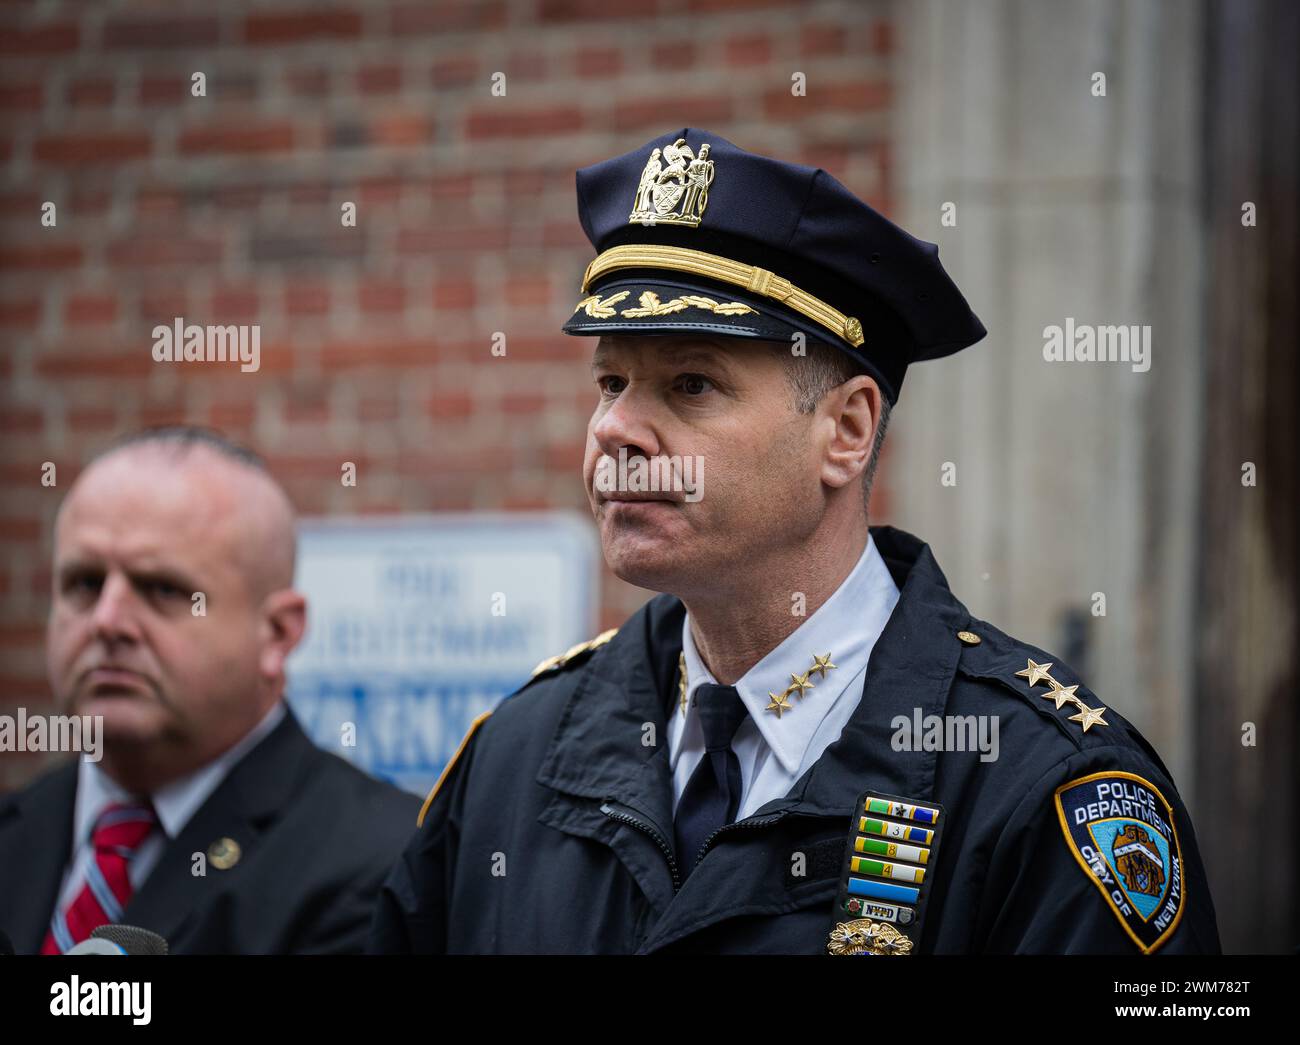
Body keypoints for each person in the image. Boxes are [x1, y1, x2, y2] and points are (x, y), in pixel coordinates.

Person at [368, 129, 1221, 955]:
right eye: (611, 381)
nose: (617, 429)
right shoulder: (516, 758)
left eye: (691, 383)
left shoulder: (1038, 789)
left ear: (846, 430)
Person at [0, 427, 418, 954]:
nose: (107, 621)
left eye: (163, 590)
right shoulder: (16, 833)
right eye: (84, 584)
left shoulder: (382, 863)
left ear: (278, 633)